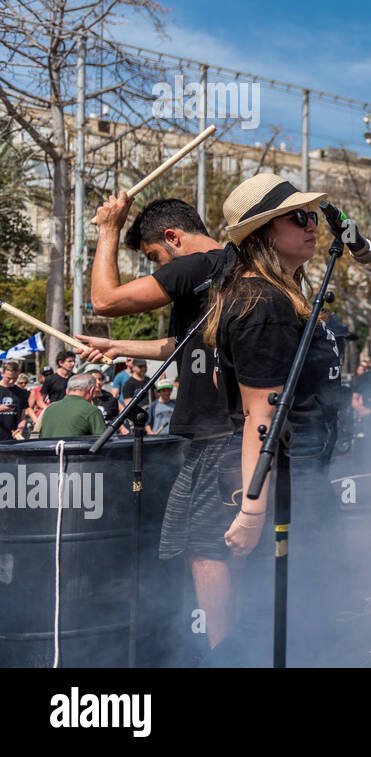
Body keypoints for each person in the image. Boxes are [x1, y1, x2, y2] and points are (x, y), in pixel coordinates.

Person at [76, 193, 240, 653]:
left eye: (153, 259)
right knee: (208, 544)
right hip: (221, 433)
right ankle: (230, 647)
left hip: (215, 434)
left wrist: (108, 229)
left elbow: (105, 301)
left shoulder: (197, 263)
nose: (156, 270)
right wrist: (119, 348)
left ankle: (223, 655)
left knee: (205, 548)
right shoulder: (225, 267)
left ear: (173, 238)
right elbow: (185, 344)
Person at [204, 173, 344, 666]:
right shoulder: (265, 304)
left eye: (313, 217)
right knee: (276, 619)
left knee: (300, 616)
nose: (313, 227)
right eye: (299, 218)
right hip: (286, 482)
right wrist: (253, 511)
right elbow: (259, 420)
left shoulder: (266, 296)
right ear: (264, 233)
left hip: (298, 476)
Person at [37, 373, 107, 439]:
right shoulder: (92, 411)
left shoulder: (49, 409)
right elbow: (102, 441)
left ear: (67, 391)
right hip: (76, 451)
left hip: (48, 451)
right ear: (91, 390)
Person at [0, 361, 27, 439]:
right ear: (2, 373)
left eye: (15, 378)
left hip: (13, 438)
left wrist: (21, 428)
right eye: (8, 378)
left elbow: (23, 417)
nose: (11, 381)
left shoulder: (21, 392)